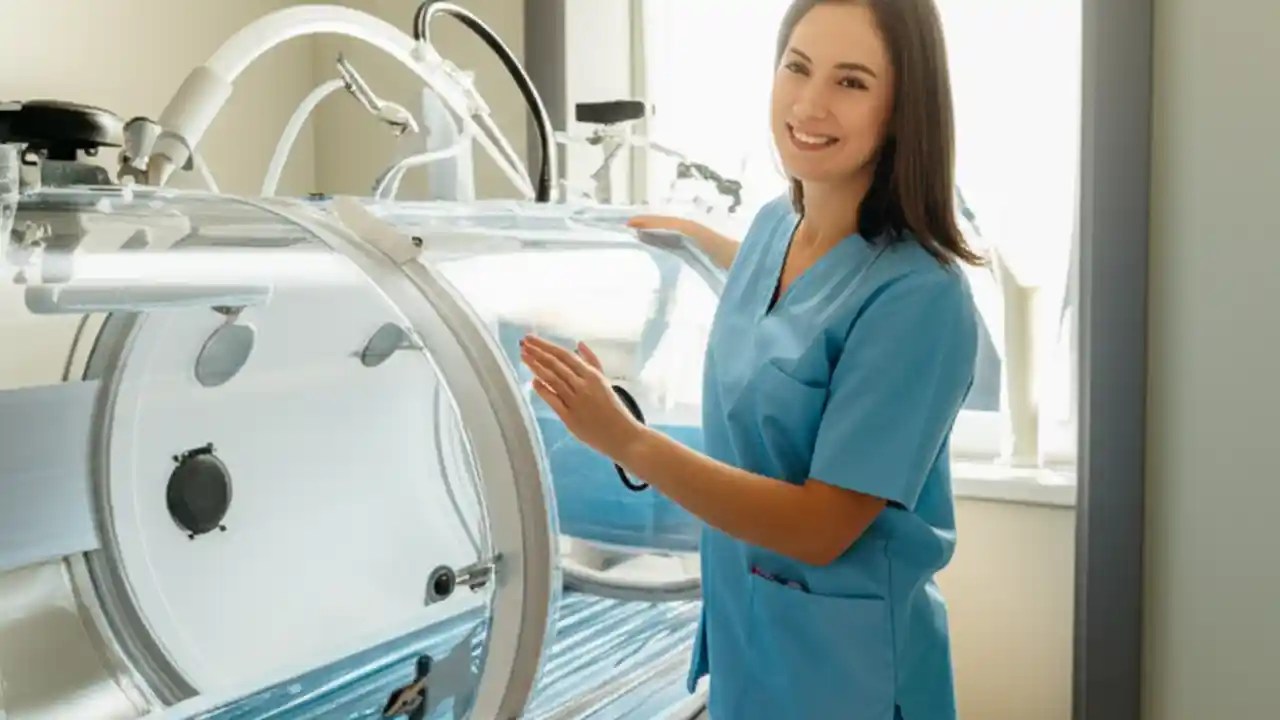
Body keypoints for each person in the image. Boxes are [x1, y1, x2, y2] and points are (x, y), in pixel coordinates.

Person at [518, 0, 982, 717]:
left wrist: (627, 442)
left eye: (851, 82)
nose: (809, 102)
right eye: (797, 67)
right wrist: (701, 241)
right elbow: (796, 312)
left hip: (851, 676)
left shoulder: (923, 297)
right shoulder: (774, 230)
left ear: (902, 108)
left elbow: (821, 528)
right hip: (750, 645)